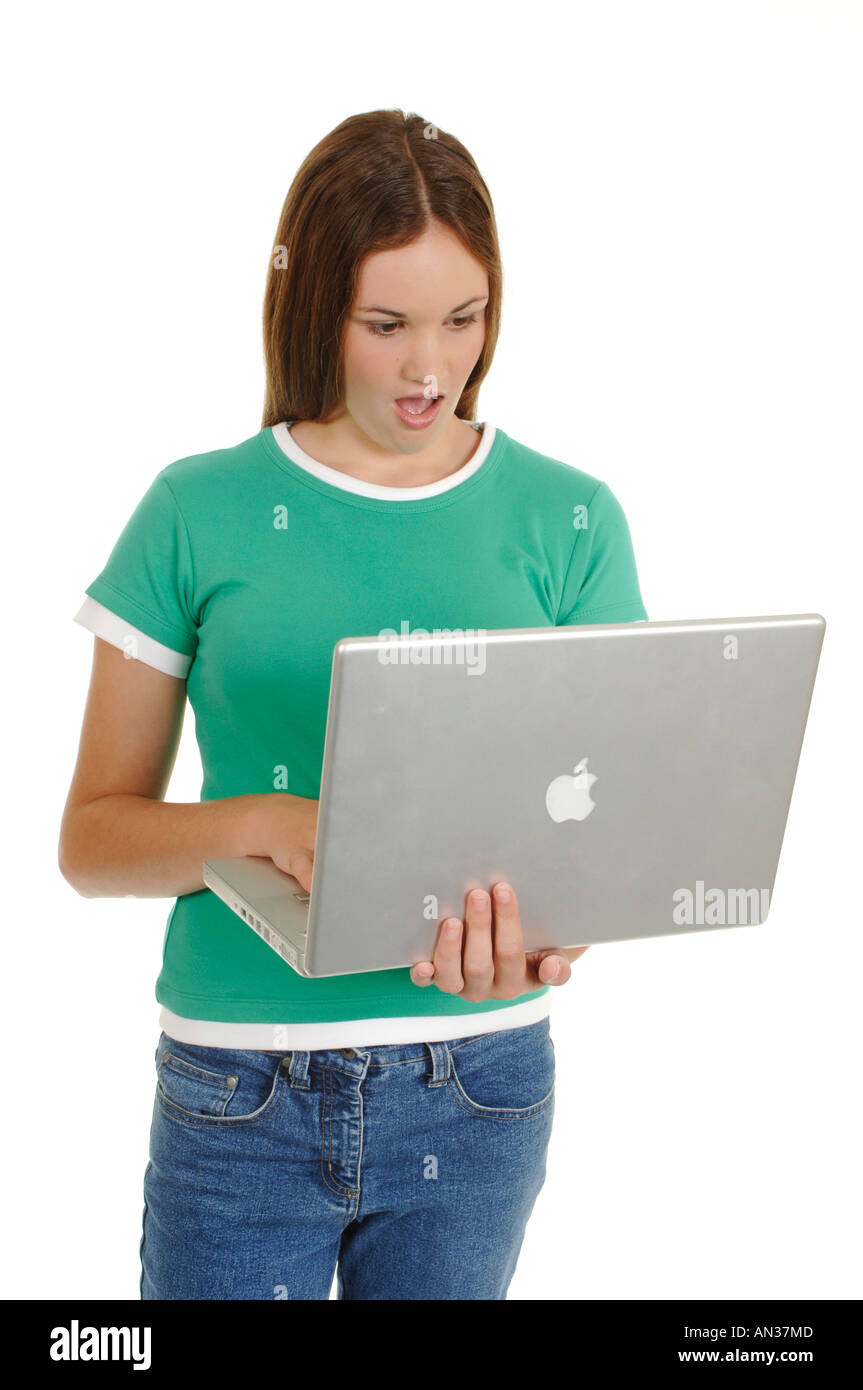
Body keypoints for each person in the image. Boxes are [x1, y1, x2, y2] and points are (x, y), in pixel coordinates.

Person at [58, 107, 648, 1301]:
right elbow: (93, 841)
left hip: (479, 1089)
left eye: (462, 319)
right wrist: (254, 827)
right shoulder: (196, 509)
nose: (430, 369)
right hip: (241, 1093)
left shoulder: (568, 518)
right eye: (386, 325)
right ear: (316, 305)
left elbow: (613, 839)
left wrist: (550, 935)